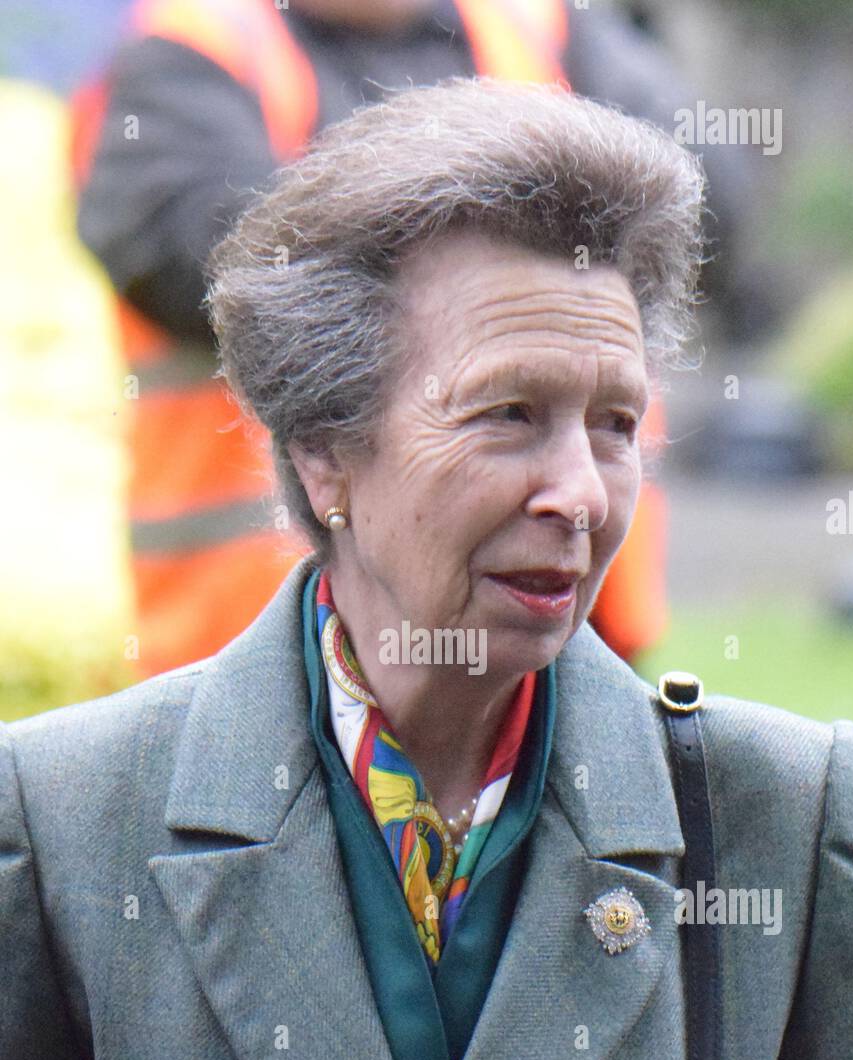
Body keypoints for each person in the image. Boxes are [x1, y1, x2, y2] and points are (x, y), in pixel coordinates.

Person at [3, 78, 853, 1060]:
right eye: (509, 414)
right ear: (325, 448)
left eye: (614, 424)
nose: (579, 491)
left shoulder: (777, 814)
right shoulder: (65, 820)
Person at [70, 0, 750, 675]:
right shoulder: (196, 50)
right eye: (505, 409)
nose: (582, 488)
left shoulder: (538, 24)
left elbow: (703, 210)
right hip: (256, 653)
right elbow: (211, 255)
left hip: (576, 642)